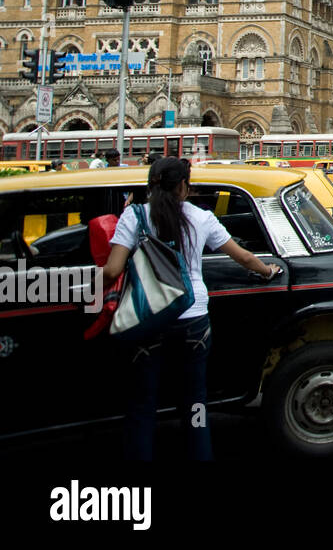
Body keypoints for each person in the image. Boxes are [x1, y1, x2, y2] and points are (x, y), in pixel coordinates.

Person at [103, 157, 281, 460]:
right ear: (184, 186)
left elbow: (112, 270)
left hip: (149, 318)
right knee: (195, 402)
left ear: (151, 185)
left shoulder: (134, 217)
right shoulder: (201, 218)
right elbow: (245, 258)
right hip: (193, 319)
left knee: (143, 404)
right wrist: (267, 271)